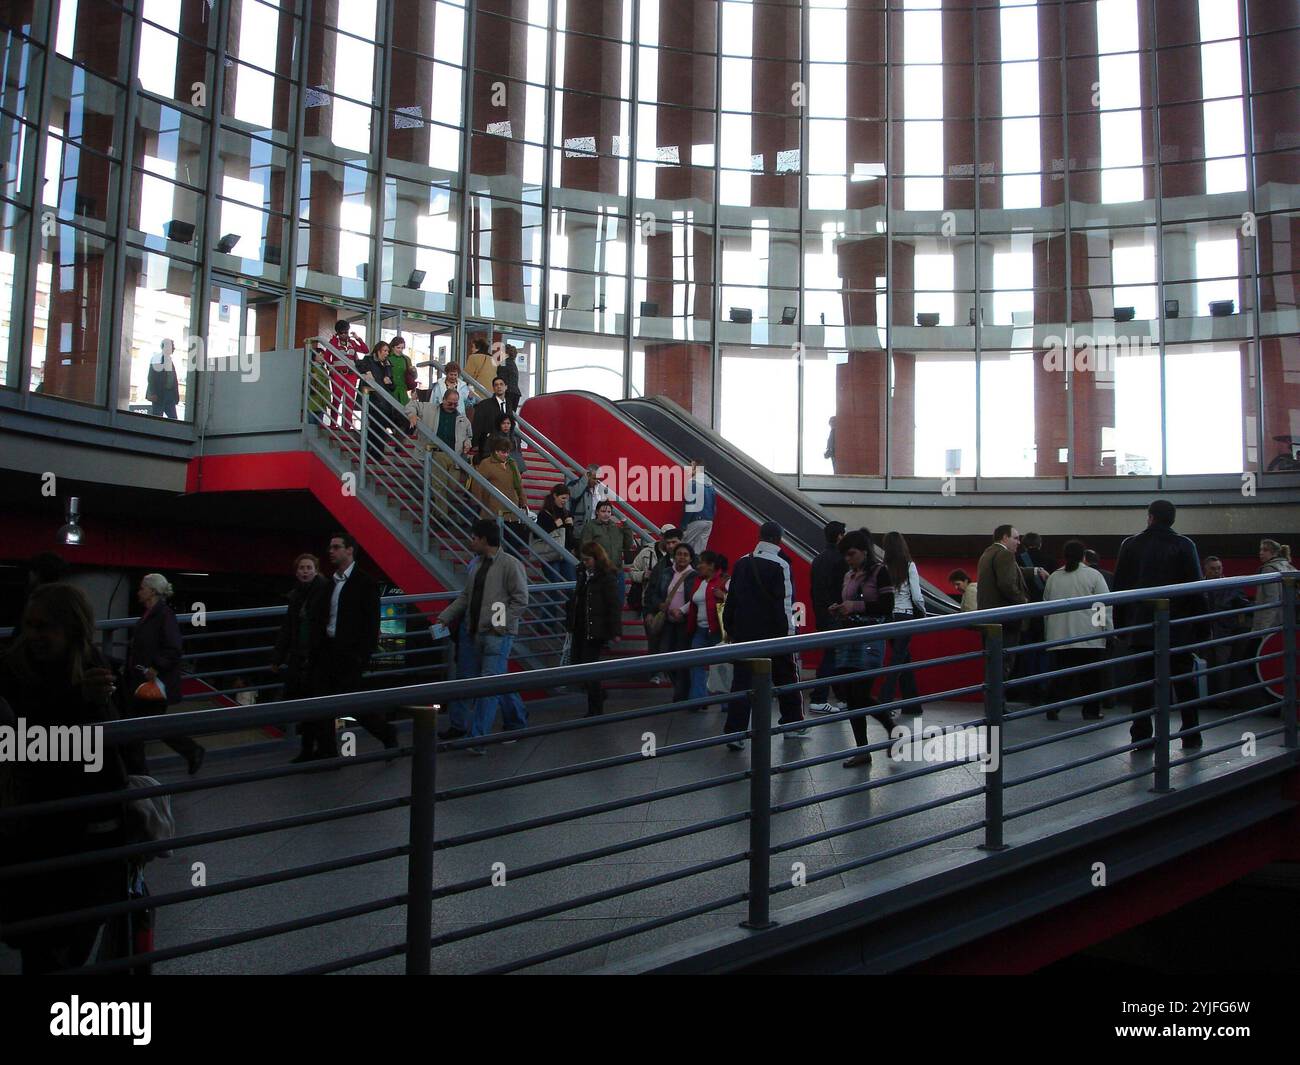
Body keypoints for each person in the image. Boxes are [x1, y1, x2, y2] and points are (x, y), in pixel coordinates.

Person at [0, 584, 129, 974]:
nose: (34, 636)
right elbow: (21, 744)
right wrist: (81, 702)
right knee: (45, 944)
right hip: (39, 827)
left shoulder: (98, 670)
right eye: (30, 626)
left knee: (70, 937)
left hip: (87, 825)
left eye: (45, 626)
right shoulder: (10, 674)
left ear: (71, 627)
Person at [1112, 500, 1208, 750]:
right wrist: (1201, 627)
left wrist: (1120, 624)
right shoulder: (1185, 545)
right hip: (1178, 628)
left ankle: (1141, 736)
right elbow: (1196, 589)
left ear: (1150, 517)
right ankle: (1191, 732)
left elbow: (1119, 588)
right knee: (1184, 682)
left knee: (1142, 683)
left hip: (1141, 627)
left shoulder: (1130, 545)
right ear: (1172, 520)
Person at [435, 518, 529, 752]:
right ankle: (513, 722)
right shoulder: (476, 565)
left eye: (474, 537)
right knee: (484, 682)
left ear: (485, 539)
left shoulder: (510, 564)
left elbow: (521, 599)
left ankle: (478, 738)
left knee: (487, 686)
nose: (471, 541)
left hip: (496, 636)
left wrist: (500, 624)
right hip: (474, 632)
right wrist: (446, 616)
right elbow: (466, 596)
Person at [721, 521, 806, 751]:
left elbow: (732, 600)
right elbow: (785, 604)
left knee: (742, 683)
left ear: (760, 536)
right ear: (779, 539)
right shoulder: (781, 564)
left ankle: (735, 732)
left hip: (745, 635)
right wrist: (790, 636)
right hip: (774, 636)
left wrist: (730, 628)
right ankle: (792, 724)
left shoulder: (741, 562)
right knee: (787, 678)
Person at [313, 534, 399, 757]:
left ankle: (386, 732)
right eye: (330, 547)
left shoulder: (365, 582)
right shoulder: (331, 583)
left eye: (336, 547)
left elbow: (372, 622)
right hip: (329, 650)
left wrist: (362, 655)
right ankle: (327, 752)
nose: (330, 551)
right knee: (324, 701)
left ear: (349, 550)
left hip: (349, 654)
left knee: (351, 702)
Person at [123, 572, 205, 776]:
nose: (139, 591)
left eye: (142, 588)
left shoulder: (163, 615)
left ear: (151, 591)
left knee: (138, 726)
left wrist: (155, 667)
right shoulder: (155, 614)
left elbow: (174, 648)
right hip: (147, 679)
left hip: (153, 680)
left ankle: (139, 773)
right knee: (149, 724)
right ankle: (189, 751)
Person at [828, 529, 896, 769]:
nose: (849, 559)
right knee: (853, 695)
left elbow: (887, 606)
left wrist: (854, 606)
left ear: (864, 551)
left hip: (869, 639)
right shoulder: (849, 575)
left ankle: (866, 747)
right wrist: (841, 608)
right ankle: (882, 734)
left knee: (858, 694)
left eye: (852, 554)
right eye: (846, 555)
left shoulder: (880, 572)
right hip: (850, 637)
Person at [1042, 540, 1112, 721]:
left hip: (1060, 636)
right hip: (1089, 635)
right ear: (1084, 556)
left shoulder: (1054, 577)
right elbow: (1103, 606)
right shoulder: (1093, 575)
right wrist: (1106, 630)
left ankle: (1053, 707)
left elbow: (1045, 607)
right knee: (1091, 677)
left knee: (1061, 675)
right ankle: (1091, 711)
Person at [272, 553, 331, 762]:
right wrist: (278, 656)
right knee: (308, 705)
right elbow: (288, 628)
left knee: (314, 705)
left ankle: (319, 750)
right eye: (302, 568)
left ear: (316, 570)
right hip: (302, 655)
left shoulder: (322, 591)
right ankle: (312, 750)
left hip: (318, 656)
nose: (305, 571)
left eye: (308, 568)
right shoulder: (298, 595)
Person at [976, 525, 1049, 682]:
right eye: (1015, 538)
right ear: (1004, 538)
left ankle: (995, 703)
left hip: (989, 618)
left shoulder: (988, 553)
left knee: (993, 663)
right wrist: (1023, 602)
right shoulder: (1005, 555)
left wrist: (1035, 570)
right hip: (1006, 621)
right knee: (1004, 664)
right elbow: (1007, 583)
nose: (1018, 542)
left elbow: (1012, 572)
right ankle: (999, 705)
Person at [567, 542, 622, 716]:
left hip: (594, 628)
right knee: (579, 665)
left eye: (587, 559)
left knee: (588, 667)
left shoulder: (606, 577)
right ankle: (598, 696)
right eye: (583, 560)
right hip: (583, 626)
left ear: (596, 559)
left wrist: (615, 630)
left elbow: (613, 605)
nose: (585, 563)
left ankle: (595, 707)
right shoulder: (584, 574)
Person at [878, 530, 925, 715]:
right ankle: (884, 701)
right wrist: (922, 614)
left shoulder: (882, 568)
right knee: (898, 660)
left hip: (889, 618)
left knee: (903, 659)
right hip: (905, 616)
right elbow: (917, 595)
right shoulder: (909, 566)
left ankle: (912, 704)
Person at [410, 385, 474, 515]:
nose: (452, 406)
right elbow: (412, 405)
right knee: (439, 486)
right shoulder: (430, 408)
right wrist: (412, 415)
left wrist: (467, 442)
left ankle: (436, 511)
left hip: (455, 457)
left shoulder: (462, 418)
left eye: (455, 404)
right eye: (450, 403)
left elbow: (469, 435)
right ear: (443, 400)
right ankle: (442, 517)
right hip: (437, 454)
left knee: (451, 488)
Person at [1201, 556, 1253, 708]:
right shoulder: (1231, 586)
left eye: (1218, 568)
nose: (1217, 571)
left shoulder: (1198, 586)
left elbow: (1244, 605)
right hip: (1208, 632)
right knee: (1212, 666)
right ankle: (1212, 697)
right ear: (1206, 569)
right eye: (1213, 569)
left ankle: (1221, 699)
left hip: (1221, 632)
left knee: (1221, 666)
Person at [809, 521, 848, 714]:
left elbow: (814, 590)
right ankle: (819, 697)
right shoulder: (841, 559)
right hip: (836, 614)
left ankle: (841, 696)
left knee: (834, 654)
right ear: (840, 536)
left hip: (822, 614)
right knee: (832, 656)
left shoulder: (819, 559)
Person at [636, 525, 681, 682]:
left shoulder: (691, 562)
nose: (670, 546)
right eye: (668, 542)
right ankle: (656, 673)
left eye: (674, 542)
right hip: (659, 610)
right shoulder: (657, 562)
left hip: (680, 614)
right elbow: (651, 590)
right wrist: (649, 610)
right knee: (656, 643)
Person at [686, 550, 729, 709]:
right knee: (696, 664)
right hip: (700, 630)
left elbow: (738, 600)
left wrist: (724, 596)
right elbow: (693, 602)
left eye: (701, 562)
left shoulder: (725, 581)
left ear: (711, 565)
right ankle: (698, 700)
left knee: (721, 668)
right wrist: (681, 611)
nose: (698, 566)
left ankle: (726, 703)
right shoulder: (699, 581)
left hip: (717, 631)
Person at [658, 542, 697, 703]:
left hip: (684, 622)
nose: (682, 557)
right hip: (667, 621)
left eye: (685, 555)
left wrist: (682, 611)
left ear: (691, 558)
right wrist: (659, 605)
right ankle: (679, 688)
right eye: (679, 554)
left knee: (682, 658)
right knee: (665, 655)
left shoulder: (694, 576)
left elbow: (695, 598)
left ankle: (681, 694)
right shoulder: (666, 573)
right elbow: (656, 592)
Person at [580, 500, 639, 606]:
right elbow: (585, 549)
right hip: (599, 570)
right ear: (597, 512)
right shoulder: (590, 526)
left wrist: (626, 526)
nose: (606, 514)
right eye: (603, 511)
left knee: (619, 601)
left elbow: (628, 545)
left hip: (617, 569)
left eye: (609, 511)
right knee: (601, 603)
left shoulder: (615, 527)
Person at [470, 432, 526, 526]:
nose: (506, 455)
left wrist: (523, 500)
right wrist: (478, 502)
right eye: (503, 452)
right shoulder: (486, 463)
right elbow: (477, 484)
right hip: (492, 509)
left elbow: (519, 484)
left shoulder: (512, 464)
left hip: (512, 508)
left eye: (508, 452)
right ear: (496, 451)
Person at [356, 340, 398, 461]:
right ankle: (373, 452)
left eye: (388, 351)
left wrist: (389, 382)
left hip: (383, 400)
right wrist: (368, 372)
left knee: (380, 426)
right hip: (372, 399)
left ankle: (376, 453)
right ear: (378, 350)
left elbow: (392, 385)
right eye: (385, 351)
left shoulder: (387, 365)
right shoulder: (368, 360)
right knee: (375, 425)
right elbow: (359, 364)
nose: (386, 353)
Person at [321, 319, 367, 428]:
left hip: (351, 374)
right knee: (337, 399)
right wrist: (330, 368)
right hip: (337, 373)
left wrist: (357, 338)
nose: (344, 335)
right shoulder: (333, 342)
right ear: (337, 333)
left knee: (350, 400)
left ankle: (347, 425)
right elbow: (327, 357)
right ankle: (333, 424)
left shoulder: (352, 342)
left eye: (346, 332)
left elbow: (365, 350)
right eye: (341, 333)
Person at [536, 484, 577, 584]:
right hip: (550, 553)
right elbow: (537, 534)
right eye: (563, 498)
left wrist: (570, 526)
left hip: (565, 551)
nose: (565, 501)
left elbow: (569, 536)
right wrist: (554, 525)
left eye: (567, 499)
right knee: (554, 581)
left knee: (572, 582)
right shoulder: (544, 514)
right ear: (555, 495)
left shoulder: (567, 513)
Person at [1252, 539, 1295, 633]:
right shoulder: (1287, 565)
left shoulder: (1269, 569)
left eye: (1265, 550)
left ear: (1274, 552)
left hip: (1273, 623)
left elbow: (1272, 599)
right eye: (1260, 550)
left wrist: (1264, 628)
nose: (1261, 553)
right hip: (1287, 618)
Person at [679, 459, 716, 553]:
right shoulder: (710, 485)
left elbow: (690, 505)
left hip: (696, 519)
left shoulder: (692, 482)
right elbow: (714, 507)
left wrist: (683, 525)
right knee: (699, 551)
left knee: (684, 548)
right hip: (709, 521)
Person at [471, 376, 513, 457]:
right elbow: (477, 425)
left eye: (501, 384)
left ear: (506, 387)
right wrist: (475, 443)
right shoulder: (484, 404)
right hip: (489, 446)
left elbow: (511, 424)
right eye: (496, 385)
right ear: (493, 388)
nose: (499, 387)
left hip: (505, 445)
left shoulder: (509, 404)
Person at [146, 339, 180, 419]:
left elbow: (173, 379)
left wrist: (175, 396)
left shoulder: (169, 360)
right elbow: (151, 377)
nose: (174, 349)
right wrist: (153, 392)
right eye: (172, 346)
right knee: (157, 419)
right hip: (159, 394)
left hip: (169, 395)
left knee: (174, 419)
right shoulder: (157, 358)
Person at [566, 464, 604, 531]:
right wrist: (584, 480)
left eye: (598, 479)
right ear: (587, 475)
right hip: (577, 530)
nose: (596, 482)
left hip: (593, 530)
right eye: (594, 478)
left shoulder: (598, 489)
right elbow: (574, 495)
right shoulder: (574, 485)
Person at [499, 342, 522, 413]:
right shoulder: (513, 364)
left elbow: (501, 379)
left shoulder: (503, 363)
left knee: (504, 416)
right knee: (511, 418)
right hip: (515, 393)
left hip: (508, 393)